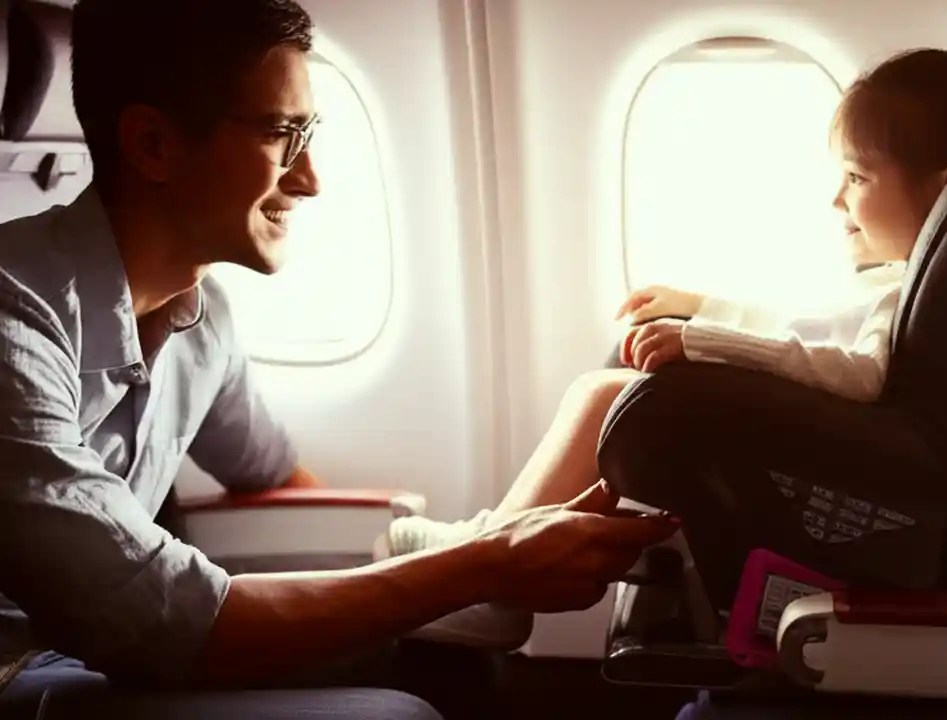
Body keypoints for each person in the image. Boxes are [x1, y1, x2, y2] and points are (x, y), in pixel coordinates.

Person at [0, 0, 677, 718]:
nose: (310, 178)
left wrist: (390, 558)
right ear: (154, 143)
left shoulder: (203, 318)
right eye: (281, 134)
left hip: (101, 644)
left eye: (308, 132)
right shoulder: (15, 316)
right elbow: (166, 621)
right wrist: (484, 563)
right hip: (19, 666)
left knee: (454, 666)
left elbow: (273, 477)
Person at [381, 49, 947, 645]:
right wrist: (703, 309)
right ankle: (497, 540)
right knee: (623, 372)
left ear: (944, 190)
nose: (836, 199)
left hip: (827, 463)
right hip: (810, 436)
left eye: (856, 177)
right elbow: (804, 331)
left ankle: (494, 580)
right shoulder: (898, 278)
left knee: (606, 395)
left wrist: (700, 341)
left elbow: (857, 377)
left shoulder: (907, 291)